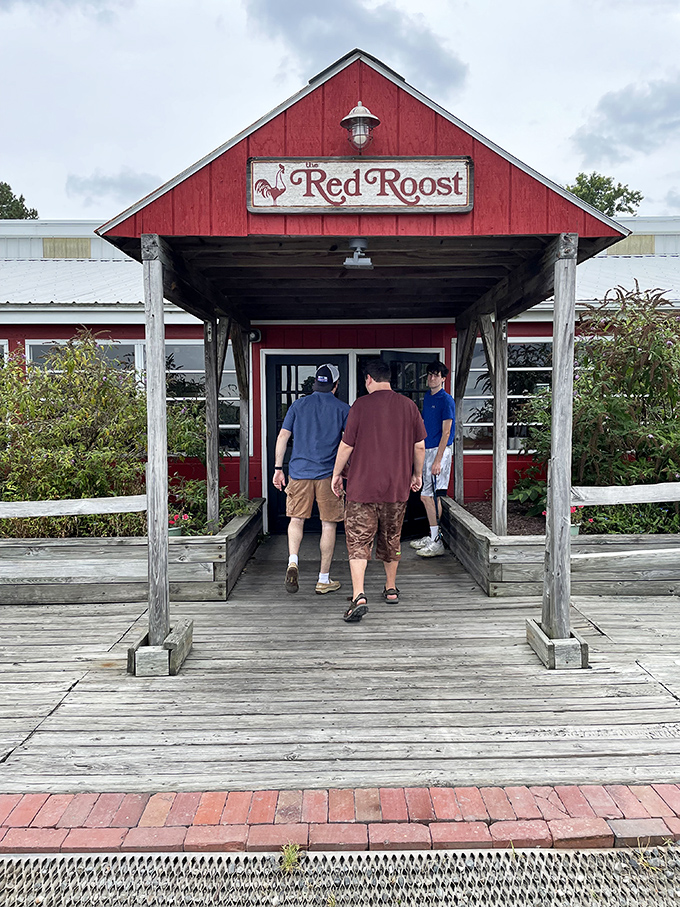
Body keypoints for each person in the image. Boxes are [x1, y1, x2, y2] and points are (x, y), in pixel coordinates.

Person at [331, 358, 426, 622]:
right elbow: (419, 446)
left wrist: (337, 474)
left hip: (362, 489)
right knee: (392, 537)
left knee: (359, 542)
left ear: (368, 379)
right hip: (396, 488)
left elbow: (346, 445)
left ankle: (359, 595)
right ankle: (391, 588)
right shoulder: (408, 406)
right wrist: (416, 474)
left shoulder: (360, 406)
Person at [273, 363, 350, 595]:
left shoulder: (298, 405)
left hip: (299, 473)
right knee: (328, 524)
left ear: (316, 383)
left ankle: (293, 561)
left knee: (296, 520)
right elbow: (348, 444)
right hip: (329, 475)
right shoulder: (343, 409)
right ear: (336, 386)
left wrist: (278, 468)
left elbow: (283, 435)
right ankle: (323, 579)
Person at [410, 359, 455, 557]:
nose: (432, 378)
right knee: (426, 495)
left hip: (440, 450)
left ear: (443, 379)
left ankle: (437, 540)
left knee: (430, 495)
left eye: (436, 375)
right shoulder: (428, 397)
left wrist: (438, 461)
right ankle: (432, 535)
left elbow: (446, 432)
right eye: (430, 374)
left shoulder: (446, 400)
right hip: (427, 449)